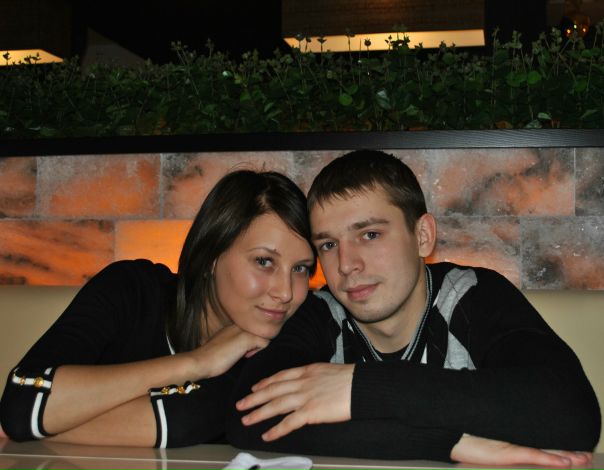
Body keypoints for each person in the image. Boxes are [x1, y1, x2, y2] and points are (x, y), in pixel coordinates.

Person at [226, 150, 601, 466]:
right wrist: (445, 443)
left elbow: (571, 414)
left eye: (370, 235)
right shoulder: (321, 312)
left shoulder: (471, 295)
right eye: (328, 245)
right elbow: (250, 419)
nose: (346, 265)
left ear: (423, 236)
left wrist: (361, 388)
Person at [0, 169, 315, 448]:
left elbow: (185, 421)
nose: (286, 292)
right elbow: (22, 401)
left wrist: (45, 421)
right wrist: (198, 362)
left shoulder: (295, 332)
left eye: (301, 268)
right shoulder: (132, 289)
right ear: (210, 257)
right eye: (264, 261)